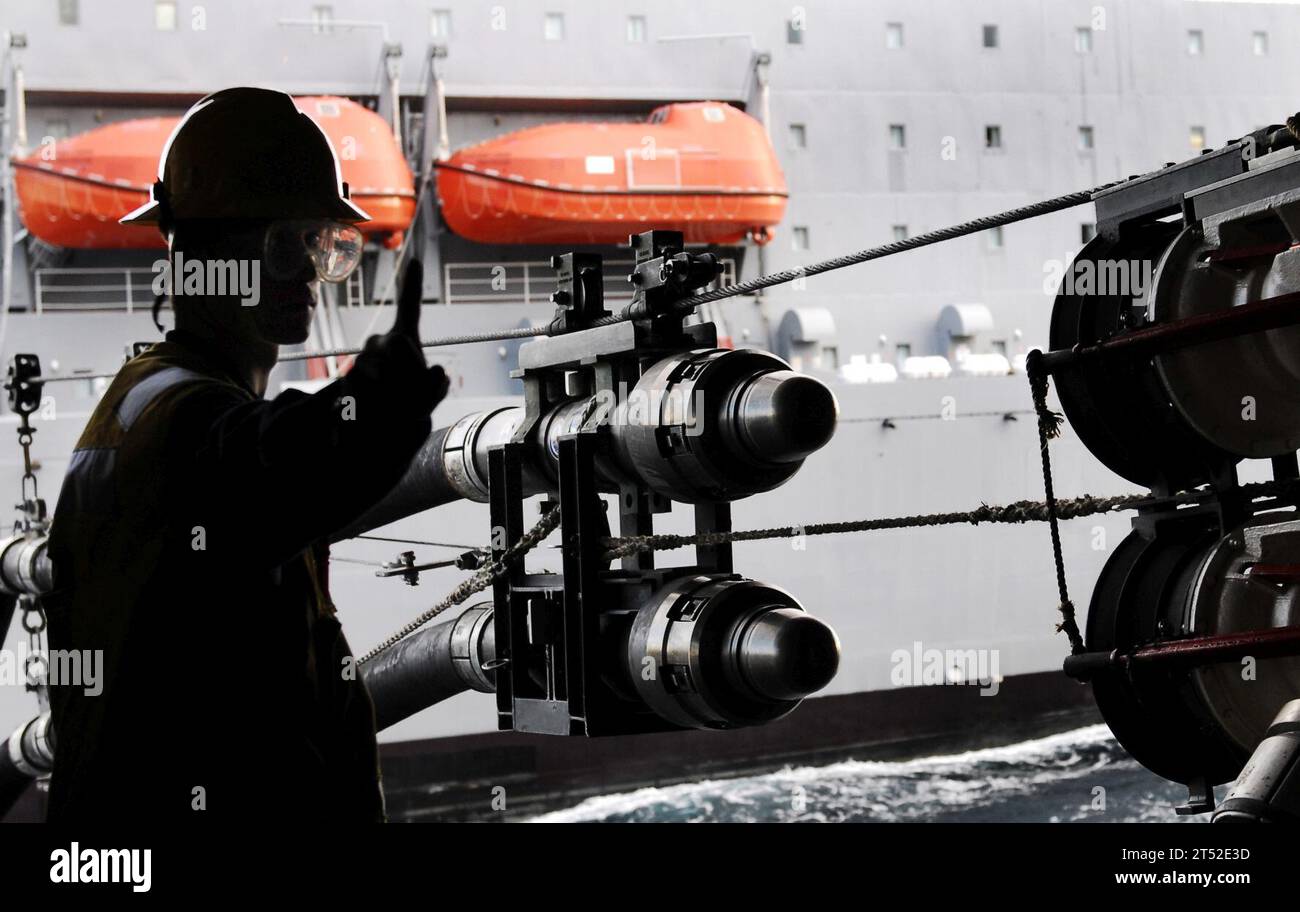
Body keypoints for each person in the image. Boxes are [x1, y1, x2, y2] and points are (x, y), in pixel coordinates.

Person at [43, 87, 447, 820]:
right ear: (203, 255)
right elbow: (278, 466)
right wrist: (380, 400)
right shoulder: (184, 419)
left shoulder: (140, 400)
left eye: (321, 245)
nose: (305, 272)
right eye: (280, 242)